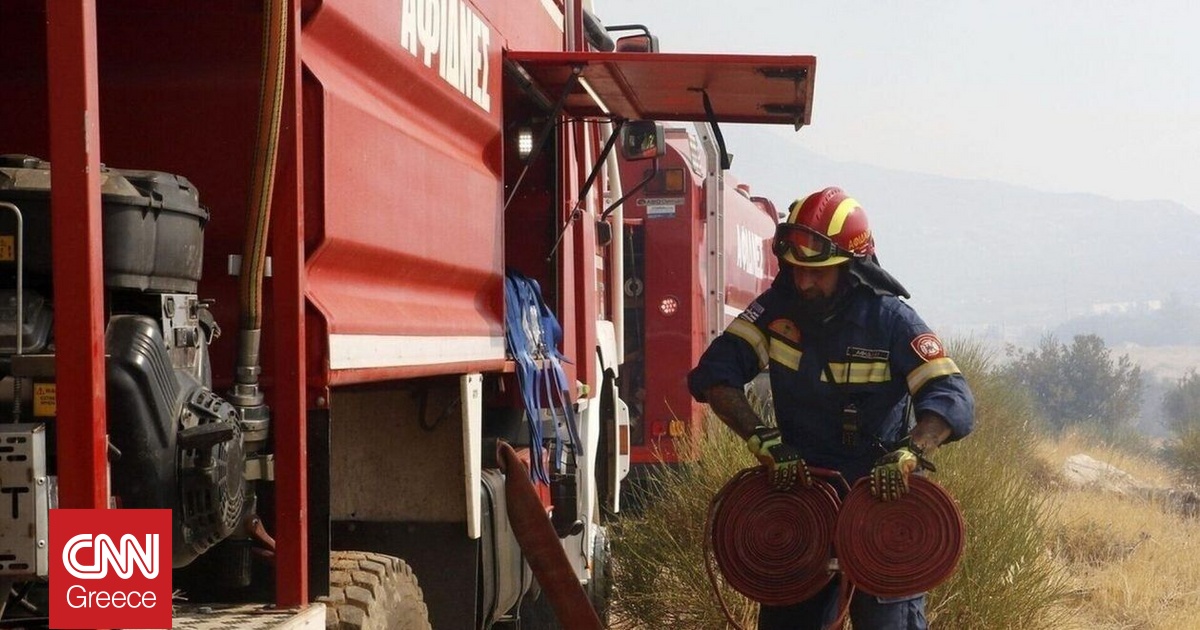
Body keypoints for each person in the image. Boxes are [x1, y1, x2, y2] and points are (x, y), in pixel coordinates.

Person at [688, 187, 974, 630]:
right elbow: (715, 374)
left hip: (881, 512)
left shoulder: (892, 321)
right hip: (800, 510)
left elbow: (951, 393)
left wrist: (912, 450)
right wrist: (762, 440)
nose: (804, 283)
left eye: (818, 273)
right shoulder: (776, 311)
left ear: (852, 267)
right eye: (796, 269)